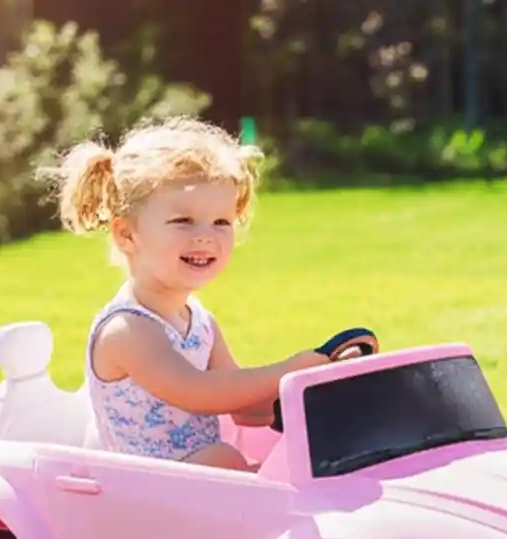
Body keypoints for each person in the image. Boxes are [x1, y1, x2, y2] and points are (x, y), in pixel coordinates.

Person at [38, 117, 329, 471]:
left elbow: (243, 406)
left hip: (192, 485)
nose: (206, 236)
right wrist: (288, 368)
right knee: (225, 459)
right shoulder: (128, 330)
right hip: (143, 493)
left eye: (221, 222)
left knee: (286, 459)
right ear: (127, 235)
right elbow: (200, 393)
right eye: (183, 221)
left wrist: (311, 392)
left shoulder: (200, 322)